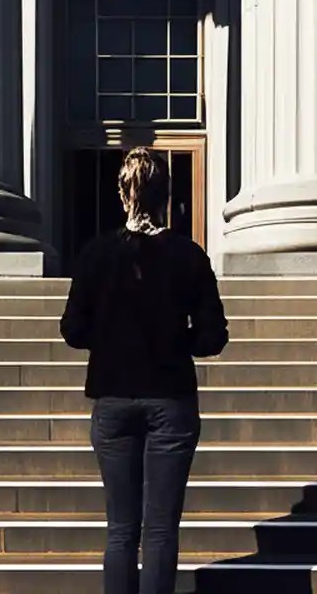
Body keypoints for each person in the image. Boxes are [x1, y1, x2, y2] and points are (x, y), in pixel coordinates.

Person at [60, 146, 229, 594]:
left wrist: (113, 340)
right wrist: (175, 342)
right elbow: (215, 334)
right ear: (165, 197)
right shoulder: (189, 255)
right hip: (170, 397)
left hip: (113, 399)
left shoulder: (96, 254)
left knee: (120, 529)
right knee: (159, 529)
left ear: (122, 193)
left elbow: (73, 329)